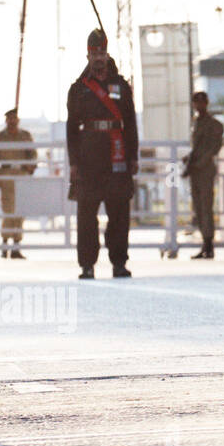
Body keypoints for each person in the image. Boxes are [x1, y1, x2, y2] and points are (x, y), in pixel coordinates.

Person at [66, 28, 137, 280]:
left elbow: (130, 123)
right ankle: (87, 264)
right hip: (89, 156)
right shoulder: (78, 89)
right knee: (87, 214)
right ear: (88, 56)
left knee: (119, 212)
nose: (99, 58)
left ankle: (119, 262)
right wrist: (73, 162)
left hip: (117, 154)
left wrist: (134, 157)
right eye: (95, 53)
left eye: (103, 53)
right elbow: (72, 128)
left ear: (108, 56)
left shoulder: (121, 86)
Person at [181, 92, 224, 260]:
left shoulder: (214, 125)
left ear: (206, 103)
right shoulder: (196, 123)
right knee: (198, 208)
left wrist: (199, 162)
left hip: (204, 170)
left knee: (206, 207)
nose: (199, 106)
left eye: (201, 102)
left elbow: (214, 147)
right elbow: (197, 148)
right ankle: (205, 244)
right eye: (196, 103)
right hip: (196, 170)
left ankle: (209, 244)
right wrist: (190, 160)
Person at [0, 108, 34, 259]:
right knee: (9, 210)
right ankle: (5, 243)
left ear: (18, 120)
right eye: (9, 119)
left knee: (20, 211)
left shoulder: (26, 136)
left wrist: (30, 167)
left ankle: (16, 245)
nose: (12, 121)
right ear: (6, 120)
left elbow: (32, 155)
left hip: (22, 175)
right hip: (6, 176)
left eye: (14, 118)